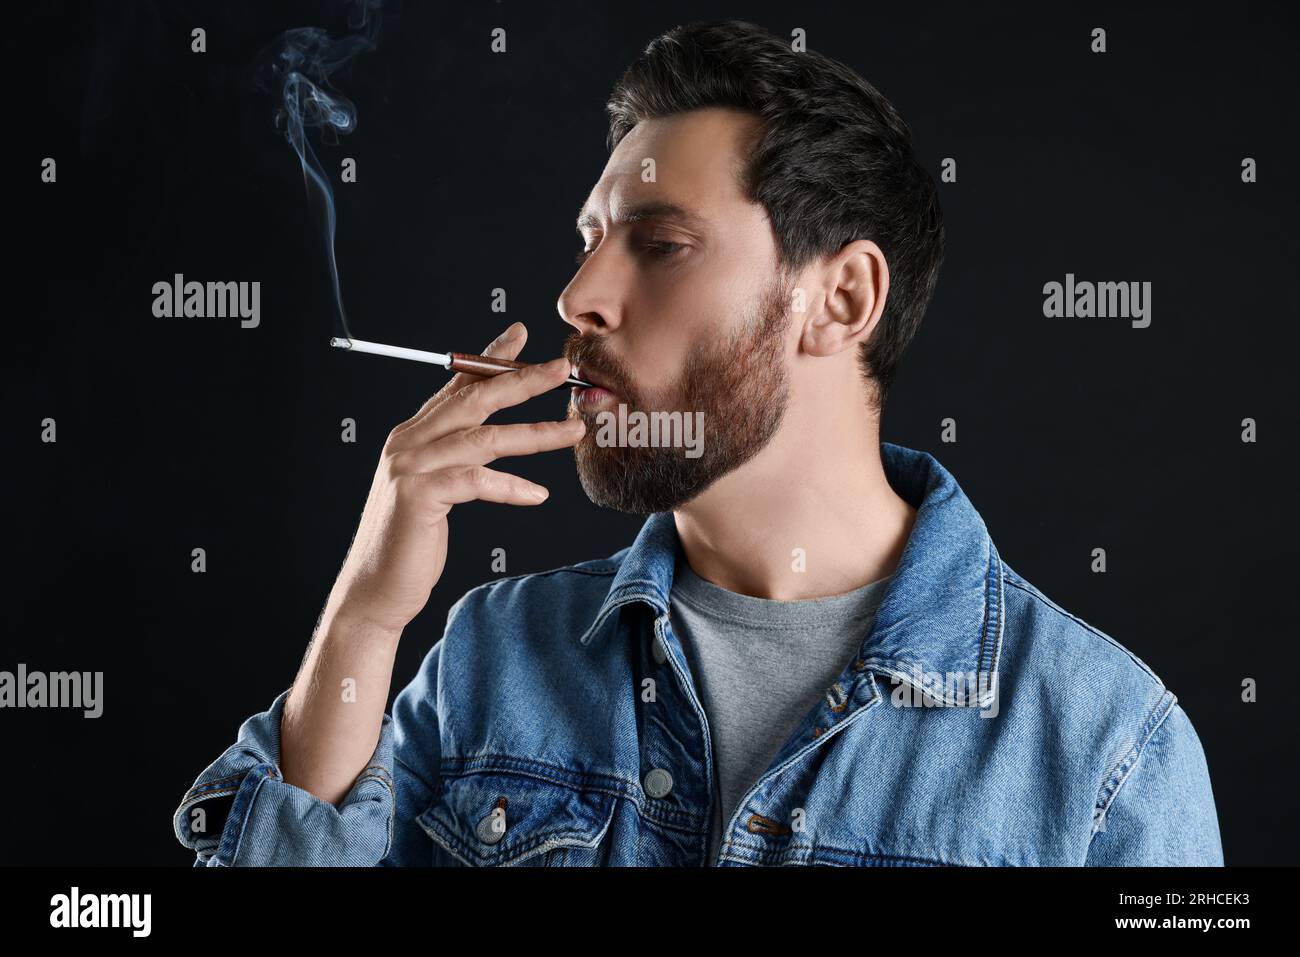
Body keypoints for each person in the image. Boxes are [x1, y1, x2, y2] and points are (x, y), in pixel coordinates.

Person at [173, 19, 1222, 866]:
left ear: (841, 296)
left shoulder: (1102, 751)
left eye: (661, 246)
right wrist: (367, 611)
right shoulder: (492, 659)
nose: (579, 297)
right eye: (589, 244)